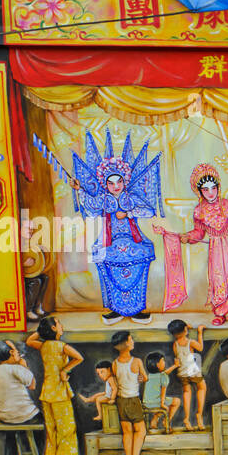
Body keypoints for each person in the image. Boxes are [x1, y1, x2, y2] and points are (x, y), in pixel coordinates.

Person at [68, 132, 162, 325]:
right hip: (109, 241)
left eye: (119, 182)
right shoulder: (103, 199)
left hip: (133, 241)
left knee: (138, 268)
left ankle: (137, 309)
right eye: (111, 183)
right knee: (109, 272)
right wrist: (79, 190)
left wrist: (128, 213)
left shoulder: (131, 198)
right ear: (105, 184)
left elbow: (149, 211)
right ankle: (114, 309)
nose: (116, 186)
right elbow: (92, 207)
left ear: (124, 181)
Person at [153, 165, 228, 325]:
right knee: (217, 277)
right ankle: (220, 311)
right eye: (206, 189)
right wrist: (187, 237)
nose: (211, 192)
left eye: (213, 188)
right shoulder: (199, 211)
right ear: (199, 191)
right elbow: (199, 233)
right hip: (215, 248)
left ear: (218, 187)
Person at [25, 316, 83, 455]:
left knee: (51, 433)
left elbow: (29, 340)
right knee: (65, 431)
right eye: (58, 323)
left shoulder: (43, 345)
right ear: (53, 329)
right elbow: (79, 358)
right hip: (60, 393)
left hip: (47, 393)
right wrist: (65, 370)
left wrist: (41, 330)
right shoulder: (62, 346)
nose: (61, 325)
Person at [106, 332, 148, 455]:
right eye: (131, 339)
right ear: (125, 344)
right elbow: (145, 377)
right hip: (133, 400)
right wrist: (142, 378)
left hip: (121, 401)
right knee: (141, 432)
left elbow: (116, 383)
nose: (133, 341)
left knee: (127, 434)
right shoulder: (136, 361)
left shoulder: (114, 363)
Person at [168, 320, 207, 431]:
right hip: (193, 371)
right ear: (186, 330)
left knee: (186, 392)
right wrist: (199, 332)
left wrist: (185, 329)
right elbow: (200, 348)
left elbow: (179, 355)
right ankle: (199, 415)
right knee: (202, 387)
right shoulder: (190, 342)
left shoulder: (175, 344)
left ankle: (186, 418)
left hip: (181, 372)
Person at [143, 351, 182, 433]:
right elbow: (163, 391)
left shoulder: (150, 375)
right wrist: (162, 404)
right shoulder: (163, 376)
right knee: (177, 401)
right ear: (158, 364)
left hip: (146, 403)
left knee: (166, 402)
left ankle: (154, 421)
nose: (165, 362)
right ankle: (166, 421)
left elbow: (165, 372)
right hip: (157, 402)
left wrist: (175, 366)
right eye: (163, 361)